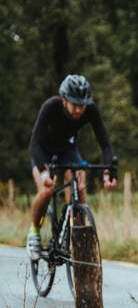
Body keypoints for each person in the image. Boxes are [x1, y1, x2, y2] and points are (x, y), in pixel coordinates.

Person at [26, 74, 117, 260]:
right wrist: (44, 174)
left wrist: (109, 170)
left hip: (68, 149)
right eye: (74, 104)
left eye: (82, 105)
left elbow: (105, 143)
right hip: (43, 151)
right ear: (64, 100)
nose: (78, 110)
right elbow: (33, 144)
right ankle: (34, 232)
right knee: (47, 190)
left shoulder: (90, 110)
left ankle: (74, 234)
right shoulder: (51, 106)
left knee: (79, 187)